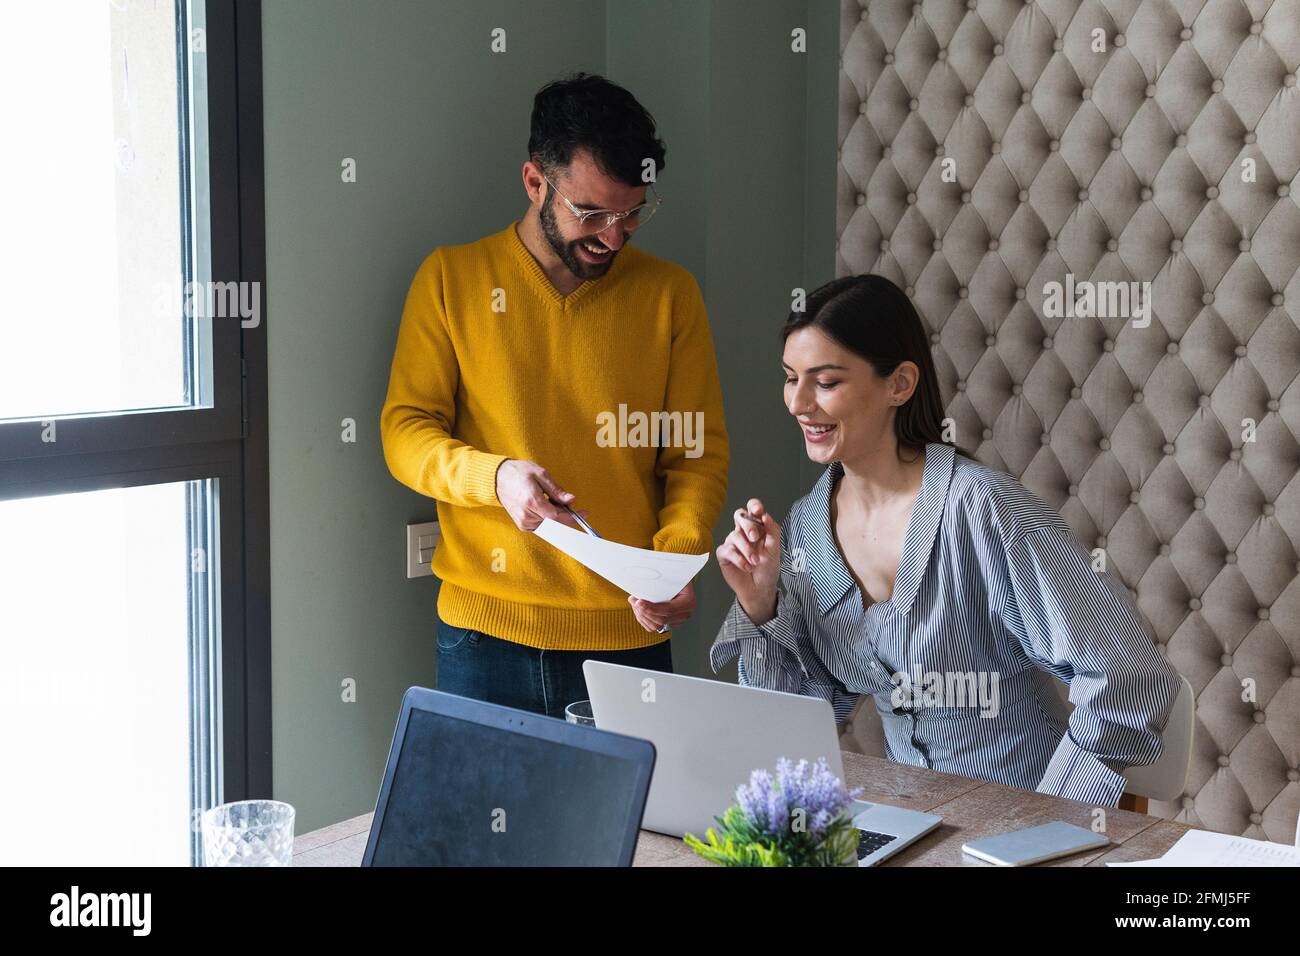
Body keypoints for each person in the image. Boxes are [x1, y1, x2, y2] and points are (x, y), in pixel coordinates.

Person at [710, 274, 1180, 807]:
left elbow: (1130, 678)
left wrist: (1052, 816)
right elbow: (797, 728)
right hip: (915, 827)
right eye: (790, 378)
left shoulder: (984, 511)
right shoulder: (805, 530)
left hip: (1026, 826)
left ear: (899, 384)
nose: (797, 403)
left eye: (825, 382)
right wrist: (760, 602)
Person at [381, 73, 729, 719]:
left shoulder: (669, 294)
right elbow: (406, 433)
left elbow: (693, 456)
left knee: (639, 825)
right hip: (480, 640)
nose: (614, 236)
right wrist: (498, 477)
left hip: (627, 638)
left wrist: (674, 564)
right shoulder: (450, 280)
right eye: (591, 212)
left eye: (632, 212)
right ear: (535, 182)